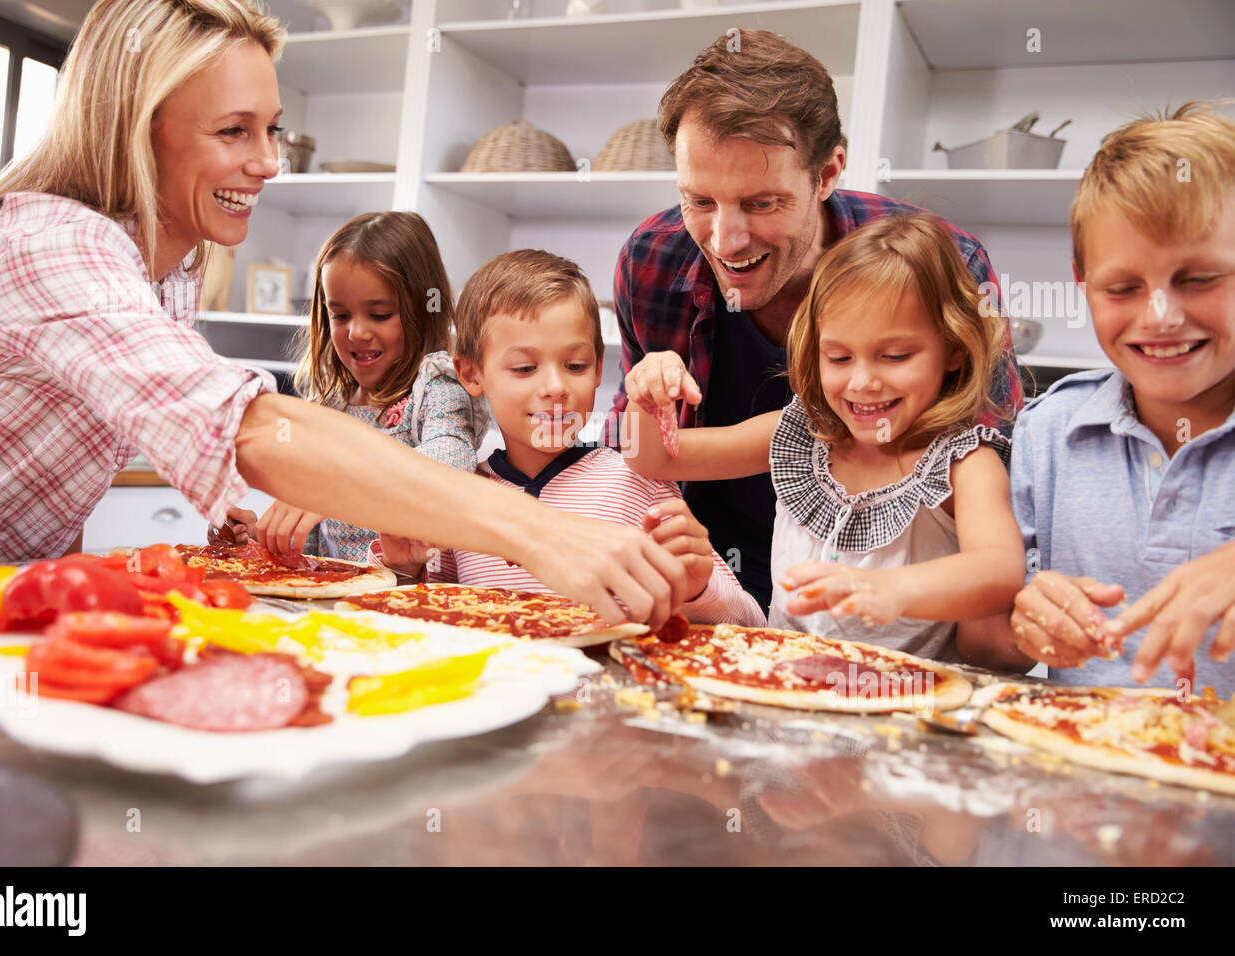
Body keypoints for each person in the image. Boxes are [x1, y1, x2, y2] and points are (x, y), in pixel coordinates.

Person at [0, 0, 687, 627]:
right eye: (234, 130)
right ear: (138, 127)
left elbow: (173, 423)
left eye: (271, 128)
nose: (268, 161)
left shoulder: (172, 269)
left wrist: (236, 510)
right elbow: (255, 429)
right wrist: (542, 531)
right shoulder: (55, 247)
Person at [603, 29, 1022, 612]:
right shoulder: (650, 261)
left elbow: (999, 534)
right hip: (716, 597)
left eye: (761, 202)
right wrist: (644, 398)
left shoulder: (943, 267)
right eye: (699, 201)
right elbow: (643, 456)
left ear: (827, 174)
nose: (725, 241)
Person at [624, 214, 1025, 659]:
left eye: (894, 356)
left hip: (902, 714)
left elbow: (999, 571)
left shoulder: (964, 463)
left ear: (952, 349)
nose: (862, 382)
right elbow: (654, 458)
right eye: (839, 357)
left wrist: (884, 589)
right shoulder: (802, 435)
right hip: (780, 695)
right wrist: (647, 395)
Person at [957, 103, 1235, 695]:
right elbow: (980, 640)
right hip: (1087, 759)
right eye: (1123, 288)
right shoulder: (1048, 430)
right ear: (1082, 283)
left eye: (1199, 279)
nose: (1160, 316)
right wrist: (1025, 628)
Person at [380, 249, 764, 627]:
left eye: (575, 365)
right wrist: (402, 567)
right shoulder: (460, 495)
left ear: (599, 366)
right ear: (470, 374)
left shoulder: (636, 482)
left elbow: (750, 623)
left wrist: (697, 590)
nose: (554, 387)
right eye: (525, 367)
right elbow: (425, 625)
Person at [246, 212, 488, 560]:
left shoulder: (438, 389)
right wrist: (261, 536)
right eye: (340, 315)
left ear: (423, 310)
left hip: (407, 597)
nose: (356, 332)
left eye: (379, 315)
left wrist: (335, 485)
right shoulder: (330, 406)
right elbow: (314, 545)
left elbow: (446, 466)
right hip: (338, 596)